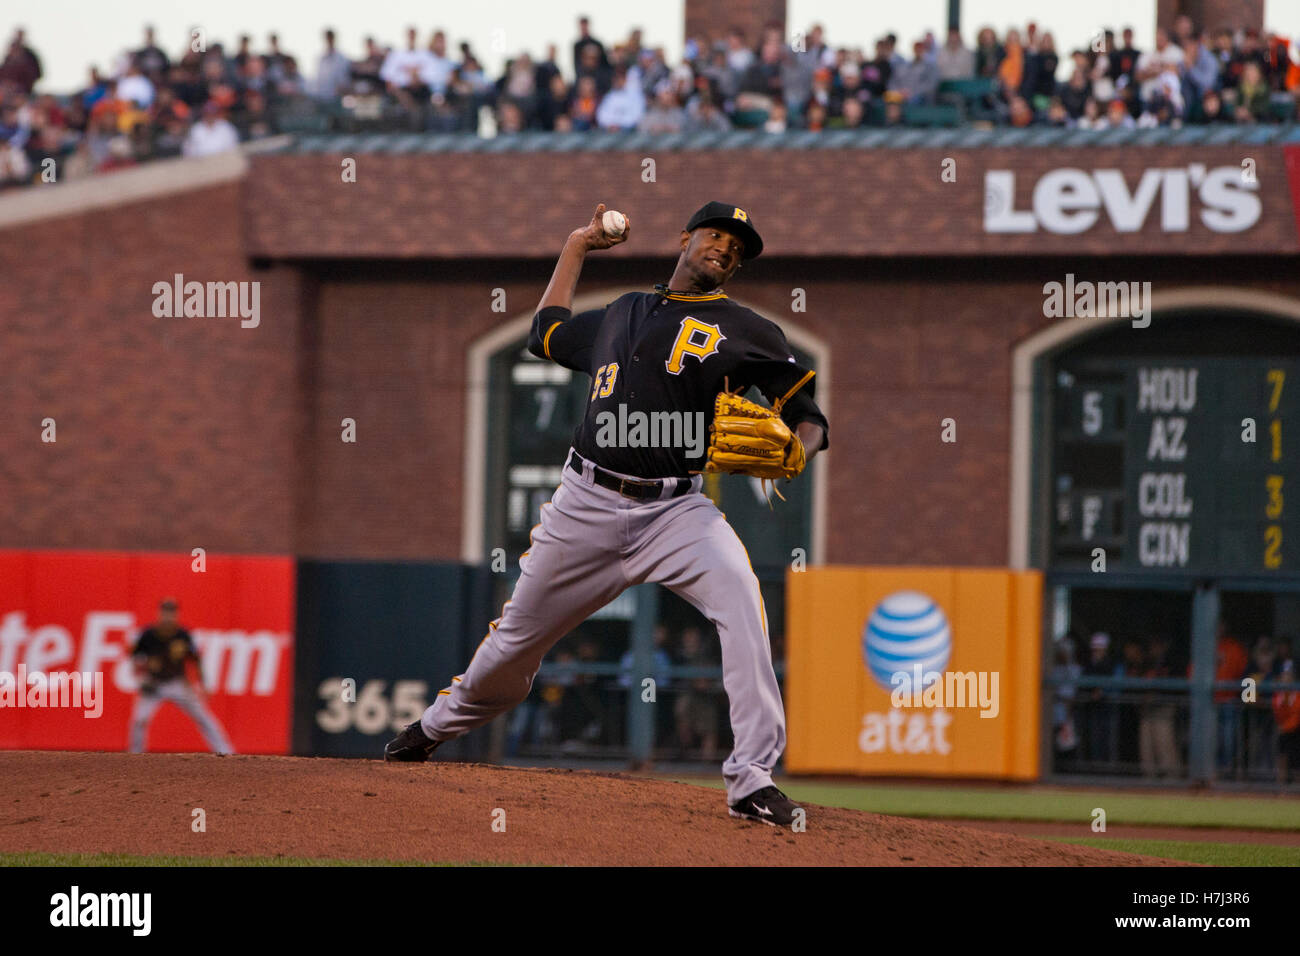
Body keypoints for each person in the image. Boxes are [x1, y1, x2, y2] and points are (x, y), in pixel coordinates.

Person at [387, 200, 828, 829]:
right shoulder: (622, 312)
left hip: (678, 511)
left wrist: (796, 451)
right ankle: (431, 729)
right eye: (716, 234)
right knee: (513, 644)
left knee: (743, 604)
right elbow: (546, 332)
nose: (726, 248)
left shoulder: (750, 330)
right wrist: (576, 246)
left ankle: (751, 778)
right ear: (685, 238)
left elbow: (809, 418)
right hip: (585, 505)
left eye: (738, 246)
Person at [128, 599, 234, 755]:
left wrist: (203, 685)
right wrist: (142, 675)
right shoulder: (148, 634)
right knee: (139, 720)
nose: (168, 616)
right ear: (159, 613)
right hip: (154, 683)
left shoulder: (183, 635)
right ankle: (135, 756)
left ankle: (226, 752)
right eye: (165, 612)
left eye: (171, 612)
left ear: (176, 615)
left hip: (177, 683)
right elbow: (135, 658)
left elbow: (195, 660)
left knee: (203, 717)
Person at [1272, 660, 1300, 784]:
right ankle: (1281, 783)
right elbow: (1277, 710)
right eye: (1284, 675)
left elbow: (1296, 716)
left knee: (1296, 756)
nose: (1286, 678)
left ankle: (1297, 783)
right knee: (1282, 754)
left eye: (1288, 675)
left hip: (1295, 729)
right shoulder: (1279, 694)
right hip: (1284, 730)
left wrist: (1284, 727)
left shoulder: (1297, 694)